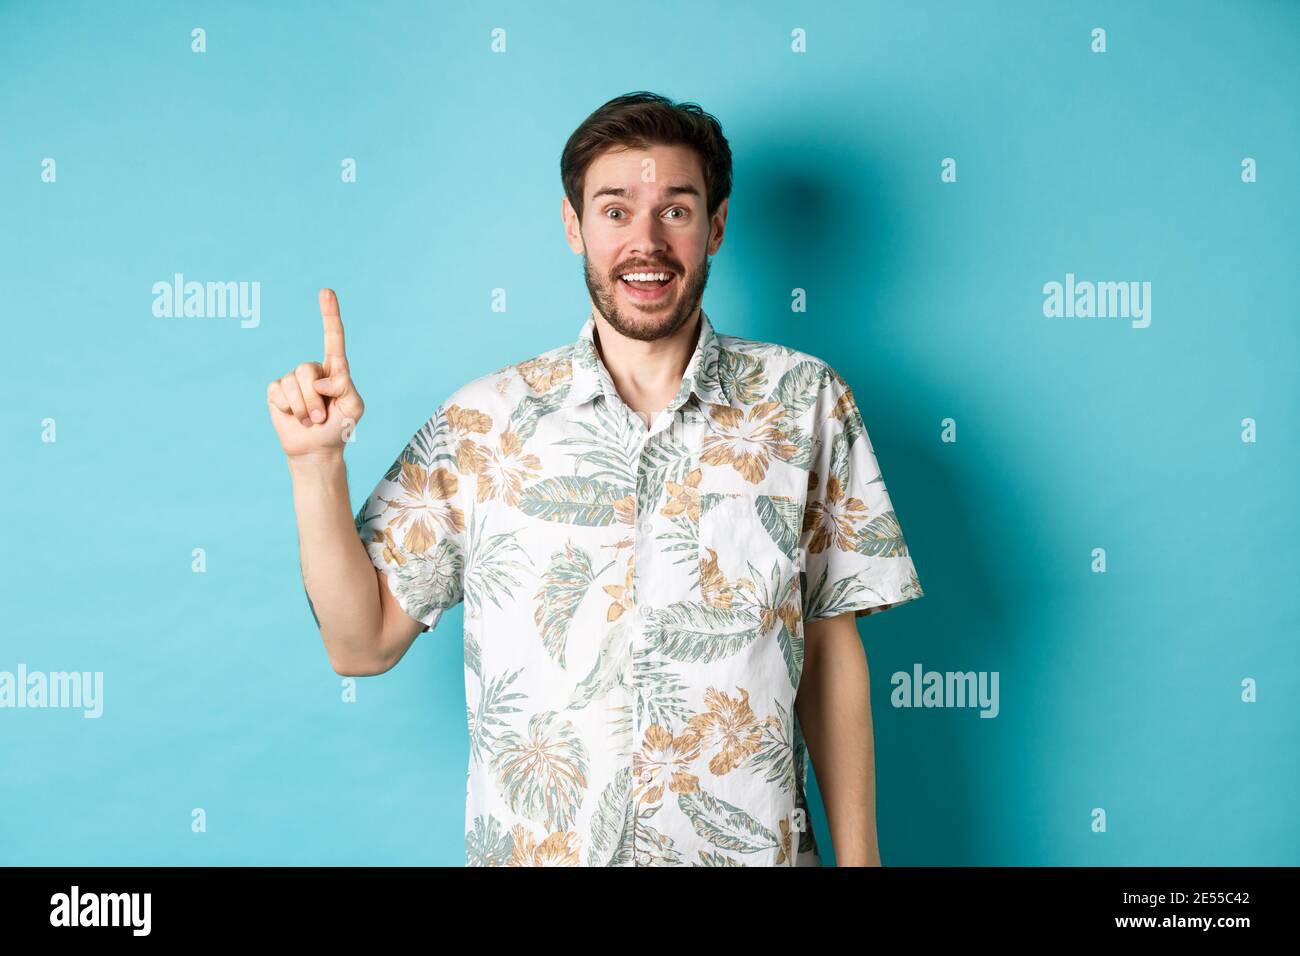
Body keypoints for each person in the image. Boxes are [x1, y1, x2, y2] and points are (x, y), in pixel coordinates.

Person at [265, 92, 924, 867]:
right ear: (574, 225)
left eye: (675, 211)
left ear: (714, 228)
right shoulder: (483, 423)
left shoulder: (804, 401)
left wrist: (862, 862)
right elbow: (360, 644)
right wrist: (315, 467)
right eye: (615, 211)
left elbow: (829, 642)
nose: (646, 242)